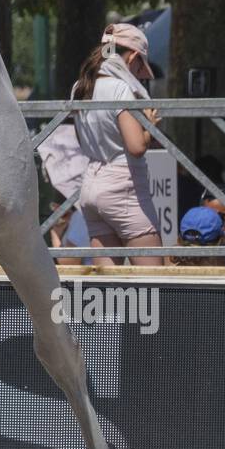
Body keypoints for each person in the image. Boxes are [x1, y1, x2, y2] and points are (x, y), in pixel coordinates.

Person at [72, 22, 164, 268]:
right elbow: (136, 147)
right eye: (138, 67)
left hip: (90, 185)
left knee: (107, 287)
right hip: (124, 185)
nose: (137, 75)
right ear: (132, 56)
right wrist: (150, 126)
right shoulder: (120, 88)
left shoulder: (80, 86)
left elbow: (82, 141)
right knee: (156, 282)